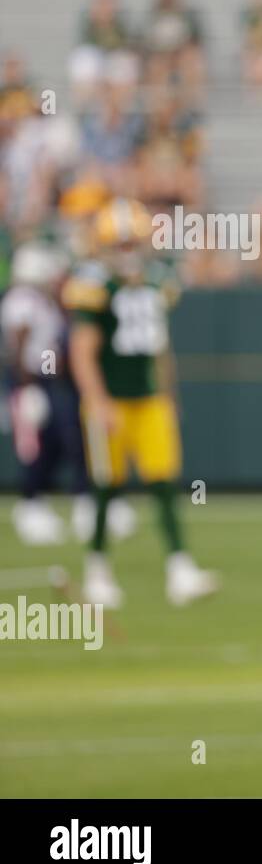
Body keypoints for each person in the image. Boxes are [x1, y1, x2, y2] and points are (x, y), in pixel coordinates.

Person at [63, 198, 218, 608]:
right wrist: (97, 401)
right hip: (111, 400)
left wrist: (170, 393)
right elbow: (82, 351)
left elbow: (160, 347)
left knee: (164, 482)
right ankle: (97, 571)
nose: (129, 252)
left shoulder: (157, 282)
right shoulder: (95, 287)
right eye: (121, 244)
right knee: (104, 488)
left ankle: (179, 569)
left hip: (150, 400)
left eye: (134, 243)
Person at [1, 242, 92, 544]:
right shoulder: (22, 299)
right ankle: (30, 504)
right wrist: (26, 386)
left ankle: (39, 502)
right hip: (30, 380)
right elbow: (19, 345)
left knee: (58, 439)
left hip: (46, 378)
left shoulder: (43, 301)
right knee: (35, 444)